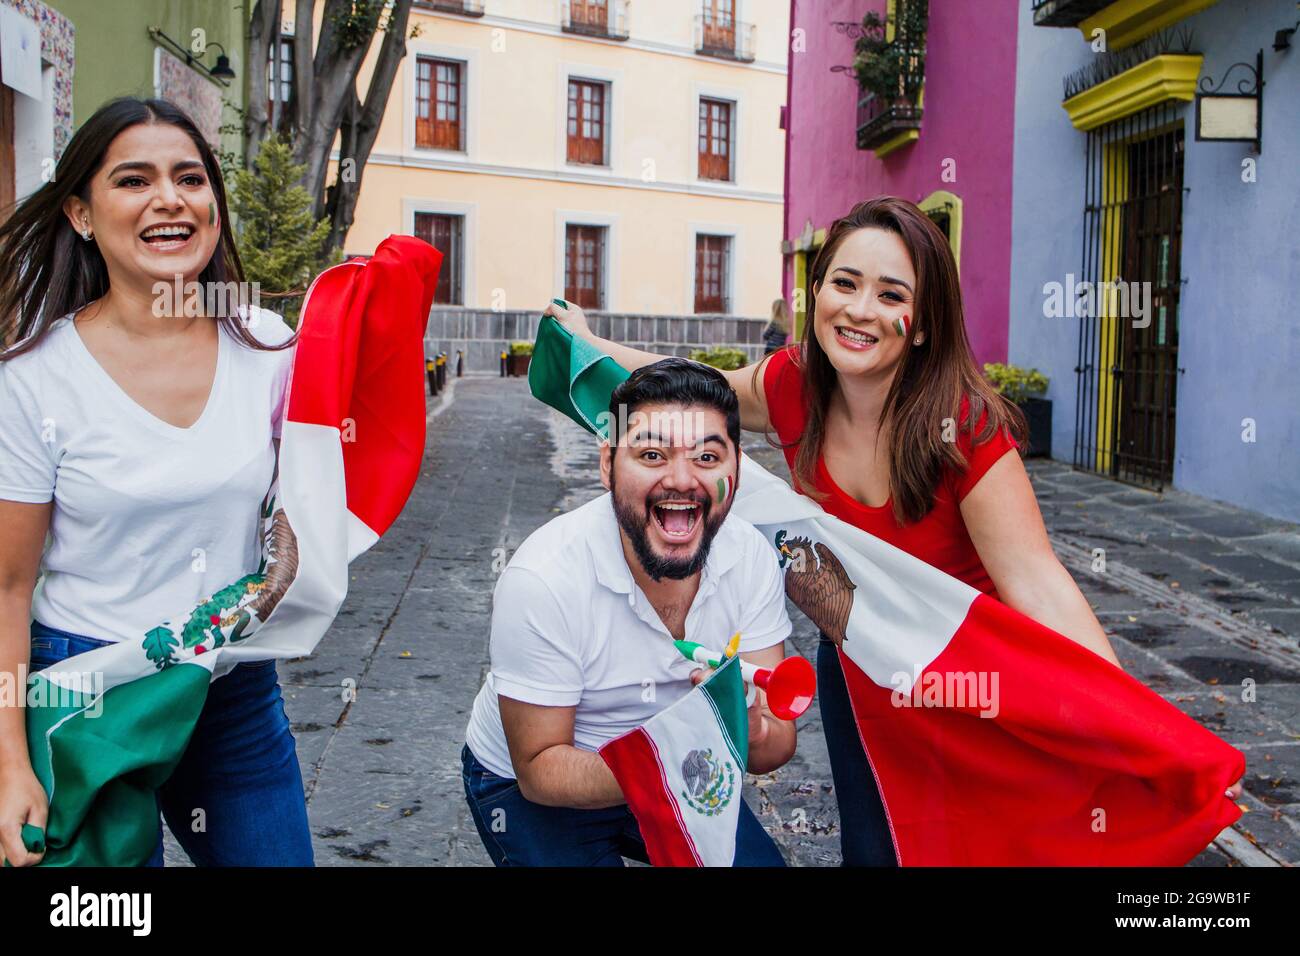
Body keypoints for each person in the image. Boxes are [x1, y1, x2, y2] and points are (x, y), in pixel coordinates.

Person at [540, 195, 1185, 867]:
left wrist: (1129, 719)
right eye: (844, 284)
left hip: (968, 688)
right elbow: (682, 391)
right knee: (876, 852)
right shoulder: (792, 385)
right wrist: (583, 342)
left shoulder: (964, 427)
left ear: (924, 325)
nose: (859, 310)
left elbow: (1036, 580)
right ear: (815, 293)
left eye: (890, 294)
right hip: (861, 670)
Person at [0, 98, 311, 867]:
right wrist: (7, 762)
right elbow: (6, 586)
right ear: (80, 213)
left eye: (190, 178)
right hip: (91, 688)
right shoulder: (34, 381)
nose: (170, 199)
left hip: (227, 681)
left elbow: (329, 485)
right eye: (133, 181)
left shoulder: (266, 344)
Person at [462, 359, 795, 866]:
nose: (681, 480)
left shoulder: (749, 556)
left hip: (681, 770)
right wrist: (681, 751)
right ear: (607, 466)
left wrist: (744, 728)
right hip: (538, 788)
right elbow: (539, 769)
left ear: (737, 471)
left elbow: (776, 741)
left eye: (707, 455)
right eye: (652, 453)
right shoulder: (544, 576)